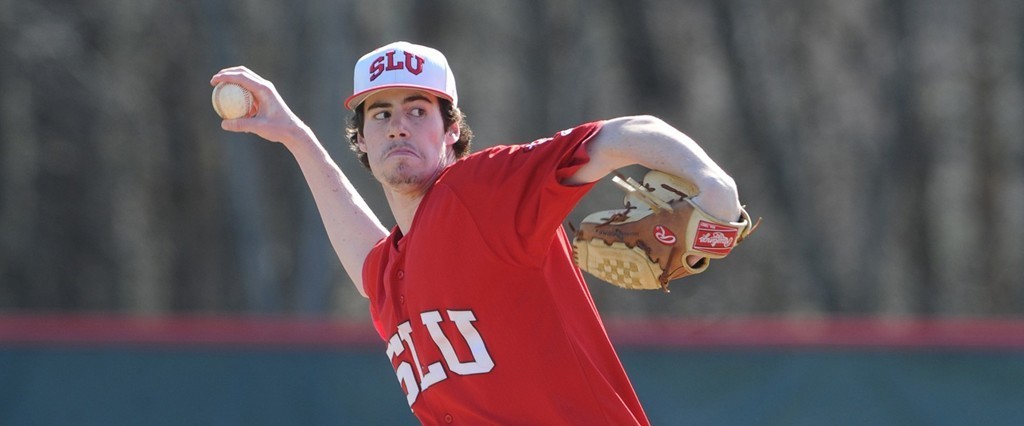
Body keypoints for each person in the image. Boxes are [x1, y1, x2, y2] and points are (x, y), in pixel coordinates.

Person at [211, 41, 742, 425]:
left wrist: (716, 187)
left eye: (418, 110)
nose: (398, 125)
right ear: (362, 140)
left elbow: (625, 134)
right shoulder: (392, 270)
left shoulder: (484, 192)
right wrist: (296, 137)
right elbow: (364, 256)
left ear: (451, 131)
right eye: (381, 114)